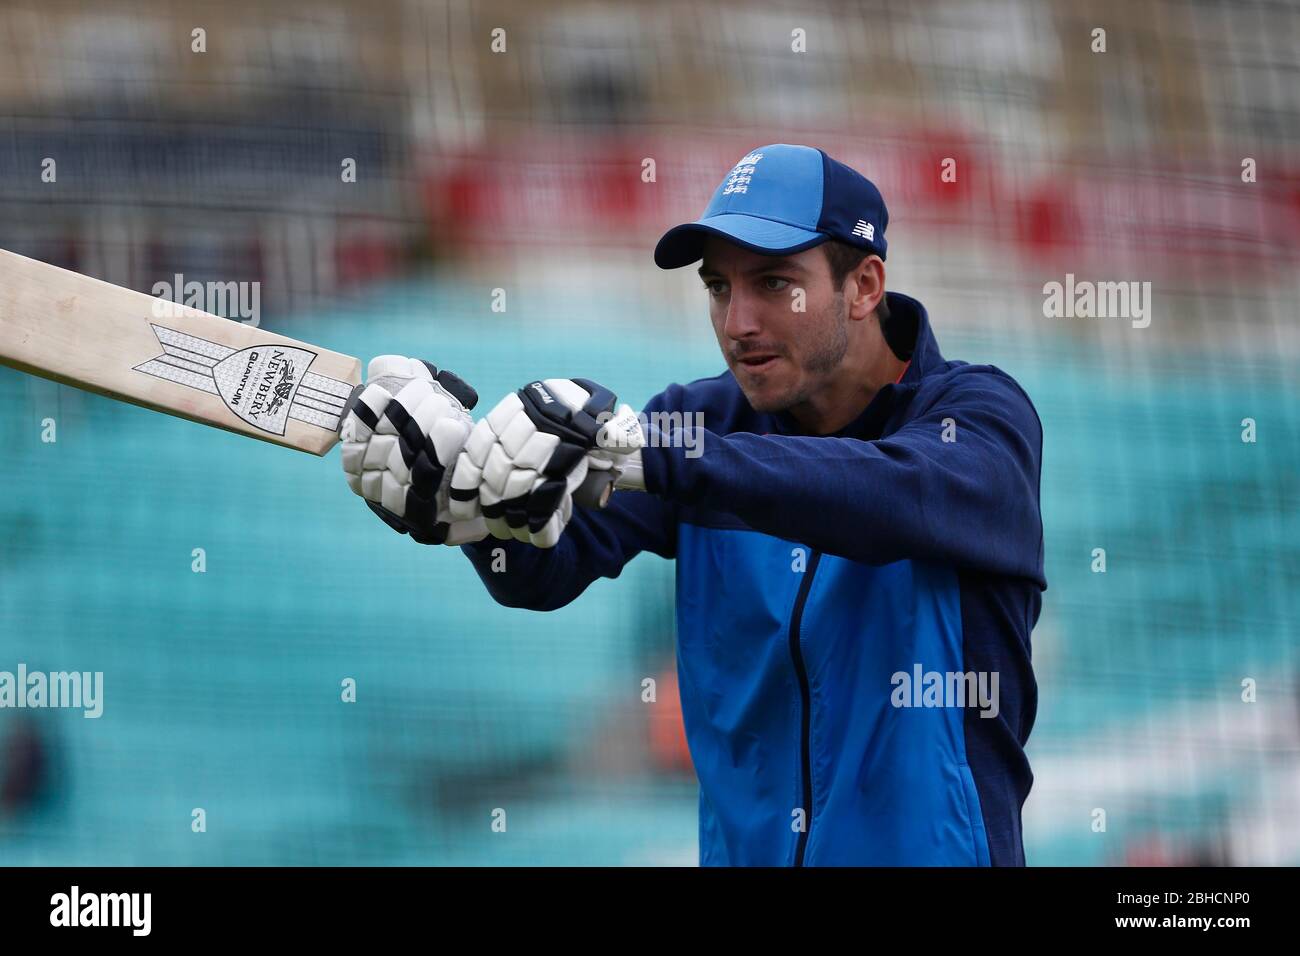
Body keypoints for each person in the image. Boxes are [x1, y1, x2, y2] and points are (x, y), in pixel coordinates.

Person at [339, 144, 1046, 866]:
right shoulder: (697, 424)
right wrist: (463, 506)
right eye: (718, 287)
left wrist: (651, 454)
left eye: (773, 282)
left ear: (864, 286)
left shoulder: (979, 416)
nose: (738, 321)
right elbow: (540, 573)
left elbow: (889, 492)